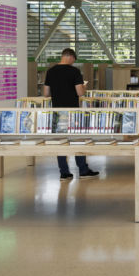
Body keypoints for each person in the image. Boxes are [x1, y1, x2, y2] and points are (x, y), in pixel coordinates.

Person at [42, 48, 98, 180]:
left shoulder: (50, 71)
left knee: (61, 141)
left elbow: (45, 94)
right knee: (78, 139)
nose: (73, 62)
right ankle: (83, 170)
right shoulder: (74, 71)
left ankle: (64, 172)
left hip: (57, 111)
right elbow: (80, 93)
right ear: (71, 57)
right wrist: (84, 86)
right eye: (74, 60)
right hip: (73, 111)